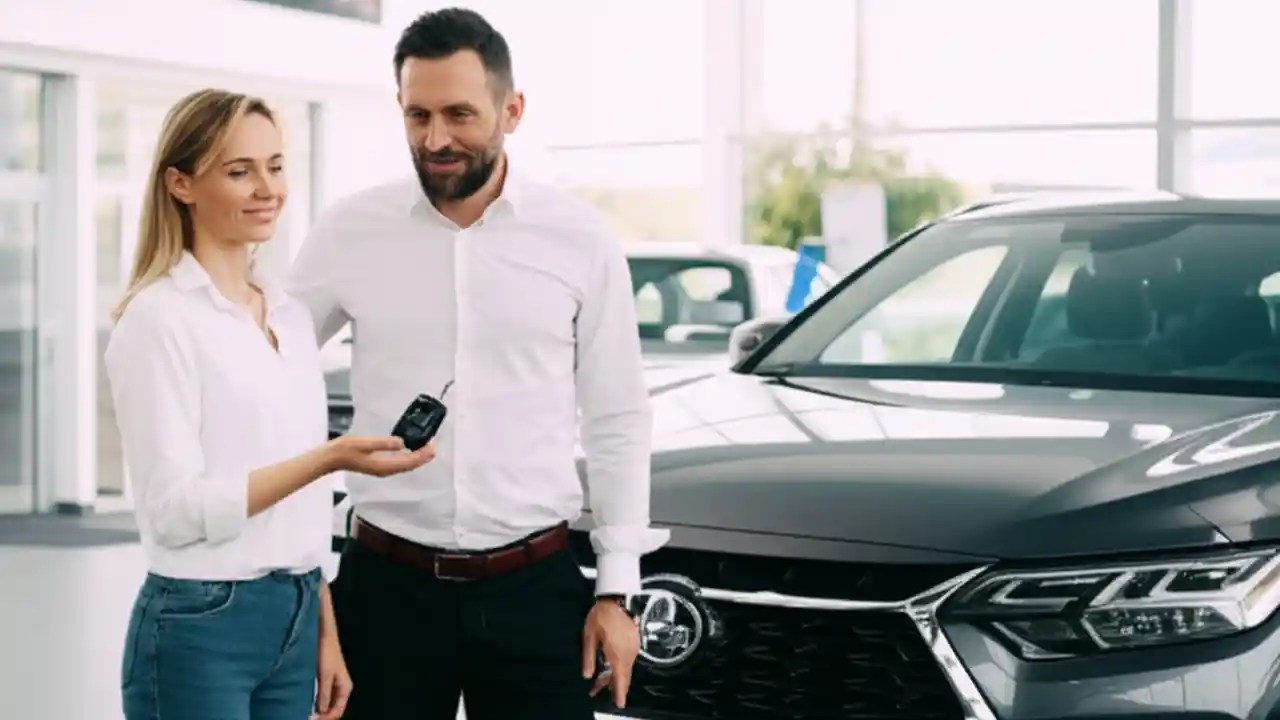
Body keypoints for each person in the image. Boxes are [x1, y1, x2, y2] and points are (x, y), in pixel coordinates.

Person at [288, 7, 669, 719]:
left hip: (536, 590)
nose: (436, 139)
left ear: (512, 110)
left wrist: (617, 591)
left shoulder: (579, 238)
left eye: (460, 114)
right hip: (384, 588)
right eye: (417, 115)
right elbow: (266, 370)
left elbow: (617, 417)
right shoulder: (349, 231)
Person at [104, 88, 436, 720]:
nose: (267, 188)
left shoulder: (285, 312)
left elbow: (303, 515)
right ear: (181, 184)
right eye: (239, 171)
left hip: (295, 615)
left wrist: (322, 630)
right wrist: (330, 458)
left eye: (275, 166)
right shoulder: (158, 321)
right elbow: (174, 512)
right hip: (201, 625)